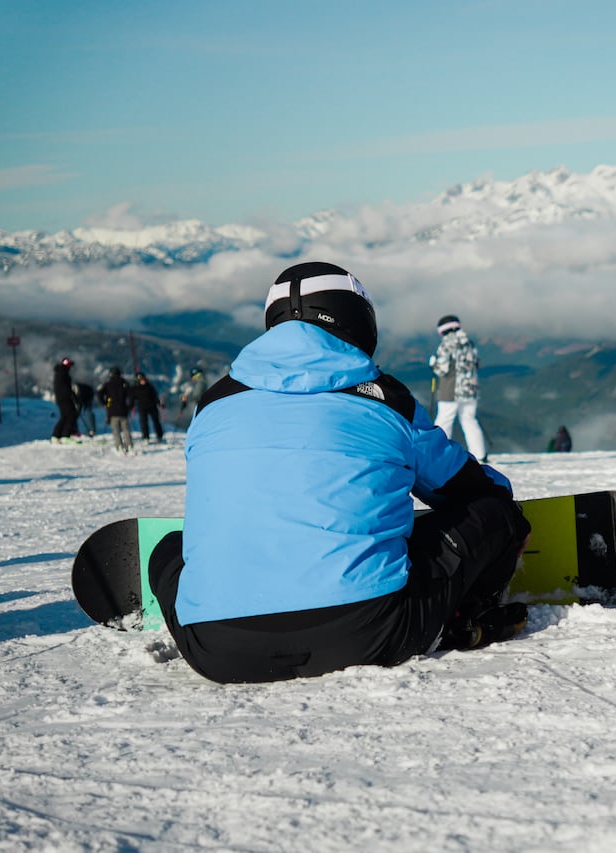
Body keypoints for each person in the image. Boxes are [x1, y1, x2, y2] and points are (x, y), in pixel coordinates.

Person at [147, 261, 531, 684]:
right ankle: (469, 610)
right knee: (494, 513)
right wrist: (503, 509)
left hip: (218, 649)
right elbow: (465, 488)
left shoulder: (212, 404)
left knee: (169, 547)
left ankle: (216, 590)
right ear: (358, 320)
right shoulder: (387, 400)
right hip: (372, 631)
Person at [430, 314, 487, 460]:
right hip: (470, 390)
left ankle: (438, 454)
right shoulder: (469, 343)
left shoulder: (446, 344)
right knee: (469, 420)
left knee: (444, 421)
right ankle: (480, 455)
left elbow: (442, 369)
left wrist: (433, 363)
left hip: (450, 389)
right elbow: (477, 365)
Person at [97, 366, 134, 454]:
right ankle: (129, 445)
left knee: (116, 430)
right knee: (126, 429)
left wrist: (105, 403)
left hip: (112, 410)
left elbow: (99, 393)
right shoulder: (124, 383)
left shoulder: (108, 384)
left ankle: (119, 445)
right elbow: (131, 395)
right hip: (123, 410)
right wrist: (130, 406)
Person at [132, 371, 165, 442]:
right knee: (144, 423)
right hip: (142, 408)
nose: (143, 381)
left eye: (144, 379)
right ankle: (146, 437)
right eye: (141, 380)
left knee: (156, 422)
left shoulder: (149, 386)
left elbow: (155, 396)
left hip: (152, 407)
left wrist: (160, 403)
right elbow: (132, 398)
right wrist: (130, 406)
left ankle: (160, 436)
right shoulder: (135, 388)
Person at [51, 357, 79, 441]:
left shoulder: (60, 372)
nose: (71, 367)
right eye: (70, 365)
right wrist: (73, 396)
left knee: (65, 416)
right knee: (70, 415)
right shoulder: (63, 373)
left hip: (61, 398)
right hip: (65, 398)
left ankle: (57, 435)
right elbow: (66, 388)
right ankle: (65, 435)